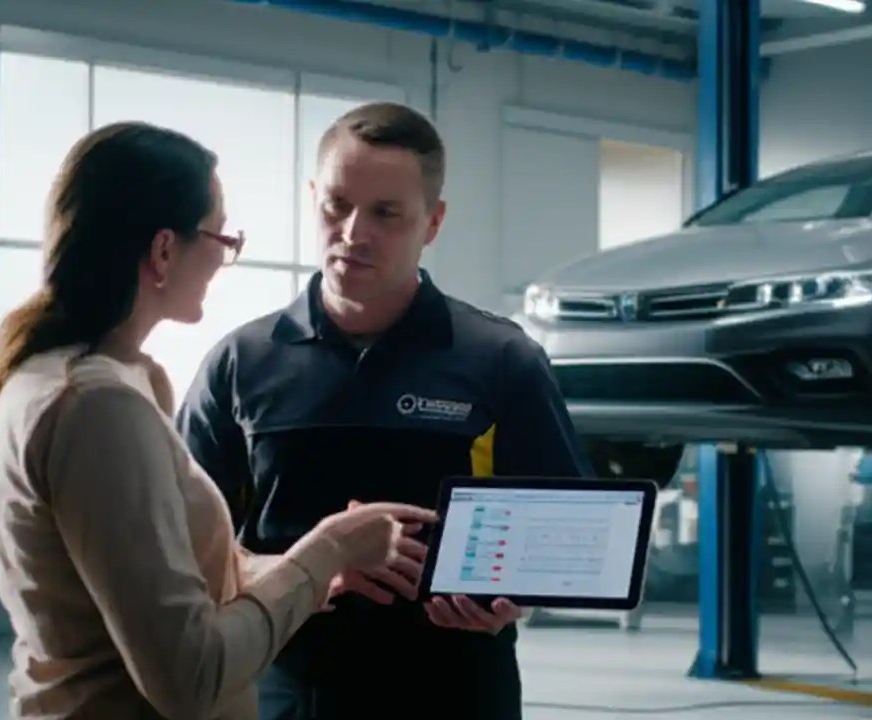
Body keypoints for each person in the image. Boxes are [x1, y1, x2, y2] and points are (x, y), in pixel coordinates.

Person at [0, 121, 437, 720]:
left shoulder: (92, 377)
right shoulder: (97, 407)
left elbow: (180, 578)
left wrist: (307, 570)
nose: (225, 254)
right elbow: (191, 677)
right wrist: (326, 551)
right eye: (220, 235)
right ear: (162, 251)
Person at [176, 101, 594, 719]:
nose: (353, 233)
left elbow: (563, 530)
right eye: (336, 206)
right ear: (312, 196)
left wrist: (515, 598)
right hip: (286, 694)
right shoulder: (240, 363)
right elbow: (186, 548)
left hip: (457, 690)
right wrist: (312, 568)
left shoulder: (502, 361)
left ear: (433, 222)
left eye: (386, 214)